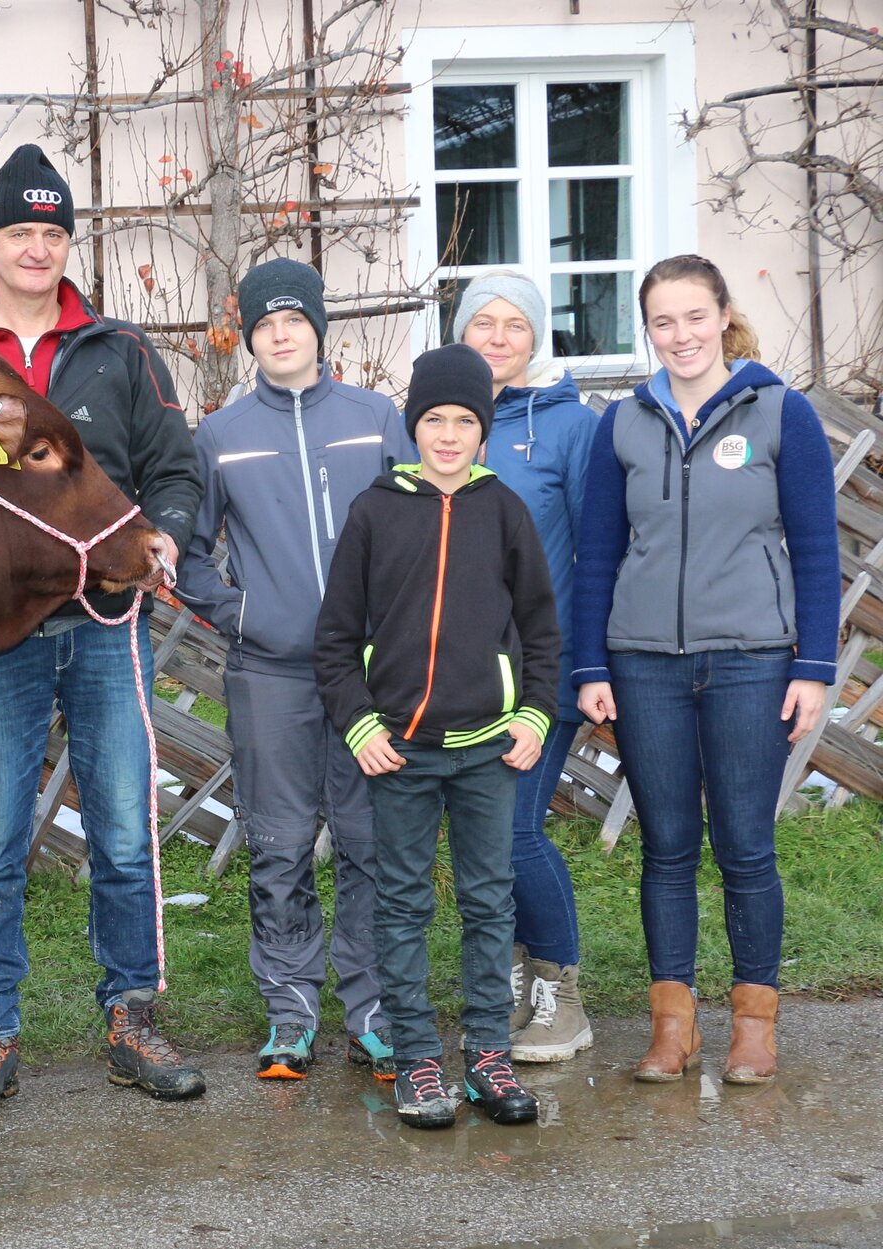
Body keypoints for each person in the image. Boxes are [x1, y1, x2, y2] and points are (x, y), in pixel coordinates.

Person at [0, 144, 207, 1114]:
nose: (35, 247)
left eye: (50, 231)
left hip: (104, 625)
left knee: (121, 832)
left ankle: (132, 1018)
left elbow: (176, 468)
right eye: (18, 230)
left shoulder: (118, 352)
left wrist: (165, 533)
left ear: (66, 243)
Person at [572, 254, 839, 1087]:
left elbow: (819, 546)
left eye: (695, 316)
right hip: (643, 664)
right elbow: (595, 557)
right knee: (668, 848)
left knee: (747, 846)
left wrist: (815, 665)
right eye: (663, 321)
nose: (680, 335)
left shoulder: (779, 412)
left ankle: (753, 1025)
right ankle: (672, 1026)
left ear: (722, 315)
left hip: (754, 661)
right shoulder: (622, 422)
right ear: (646, 330)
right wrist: (590, 663)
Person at [177, 257, 411, 1081]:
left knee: (368, 840)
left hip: (372, 676)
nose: (281, 335)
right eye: (265, 325)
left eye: (294, 321)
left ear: (318, 328)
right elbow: (189, 552)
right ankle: (290, 1009)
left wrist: (401, 626)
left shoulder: (377, 418)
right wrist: (244, 612)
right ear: (249, 338)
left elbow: (420, 529)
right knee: (278, 844)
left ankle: (375, 1007)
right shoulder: (222, 435)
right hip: (269, 672)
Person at [314, 344, 559, 1129]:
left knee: (490, 901)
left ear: (483, 429)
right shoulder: (375, 510)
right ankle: (418, 1057)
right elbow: (334, 639)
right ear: (413, 424)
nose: (448, 435)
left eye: (464, 421)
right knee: (402, 903)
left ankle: (488, 1053)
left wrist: (532, 716)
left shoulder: (504, 510)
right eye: (433, 419)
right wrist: (358, 723)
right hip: (401, 751)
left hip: (489, 747)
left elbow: (544, 633)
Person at [453, 271, 600, 1062]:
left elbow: (596, 551)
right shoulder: (447, 421)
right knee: (481, 838)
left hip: (541, 673)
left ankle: (560, 994)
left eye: (516, 324)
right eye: (484, 323)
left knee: (512, 834)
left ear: (537, 336)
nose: (500, 337)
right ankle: (510, 983)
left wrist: (584, 669)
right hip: (461, 677)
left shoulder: (571, 427)